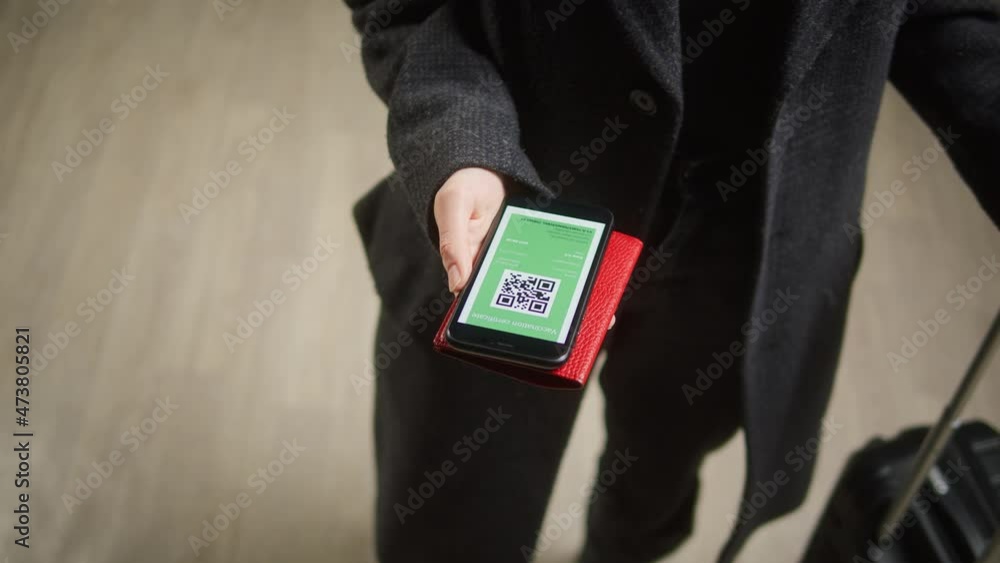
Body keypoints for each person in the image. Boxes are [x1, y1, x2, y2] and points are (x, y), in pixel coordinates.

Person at [345, 0, 1000, 561]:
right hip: (511, 200)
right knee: (455, 504)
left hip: (752, 236)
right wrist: (460, 136)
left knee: (651, 490)